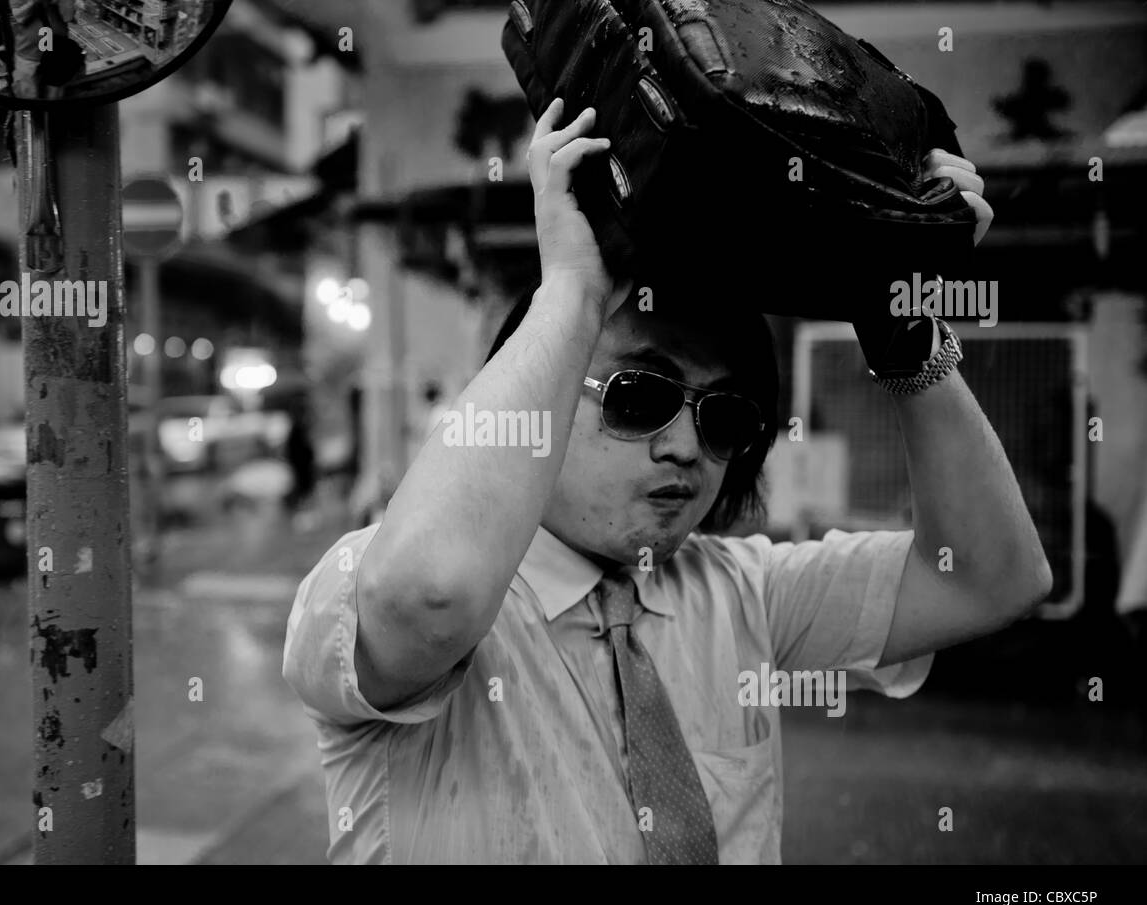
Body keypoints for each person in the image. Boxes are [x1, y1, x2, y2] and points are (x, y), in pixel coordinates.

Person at [283, 99, 1052, 864]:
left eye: (724, 418)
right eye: (639, 396)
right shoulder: (360, 588)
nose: (686, 445)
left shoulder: (743, 593)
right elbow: (429, 596)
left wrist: (906, 335)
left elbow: (993, 578)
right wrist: (573, 294)